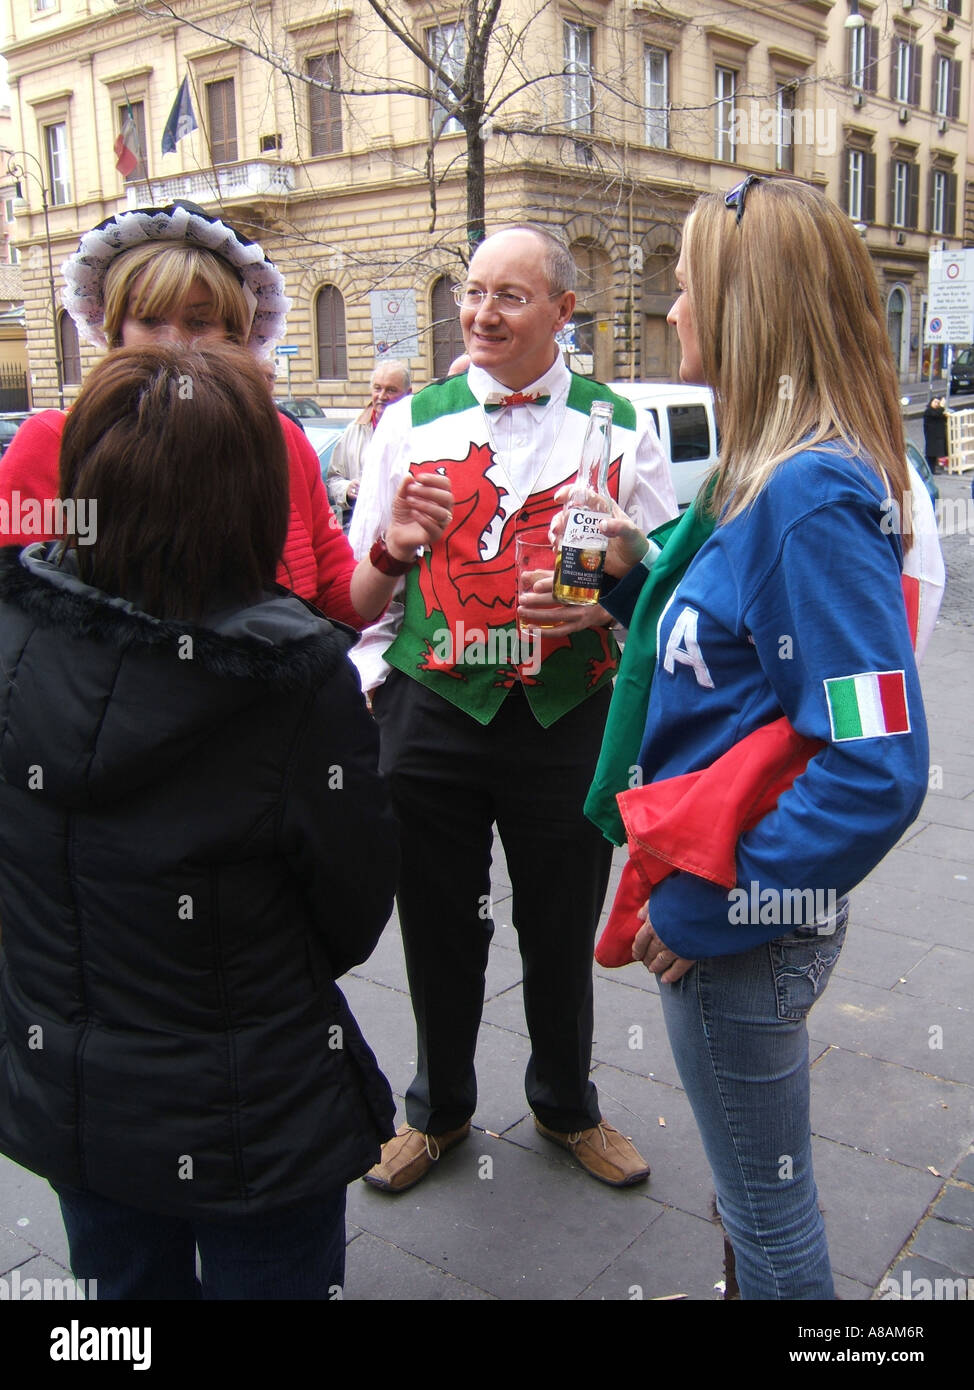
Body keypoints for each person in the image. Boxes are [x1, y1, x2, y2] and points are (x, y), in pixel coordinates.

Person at [589, 177, 934, 1299]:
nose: (672, 309)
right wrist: (637, 584)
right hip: (735, 897)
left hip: (741, 919)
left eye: (686, 288)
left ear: (747, 308)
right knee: (756, 1205)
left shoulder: (807, 497)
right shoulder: (769, 482)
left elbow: (873, 758)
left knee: (768, 1215)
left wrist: (707, 906)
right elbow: (747, 655)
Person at [0, 341, 400, 1299]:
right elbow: (350, 904)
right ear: (248, 497)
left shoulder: (15, 627)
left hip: (74, 1091)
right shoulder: (293, 676)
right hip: (254, 1104)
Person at [348, 224, 677, 1192]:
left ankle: (565, 1103)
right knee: (437, 921)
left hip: (565, 711)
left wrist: (616, 592)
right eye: (472, 292)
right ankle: (436, 1110)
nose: (481, 312)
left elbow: (665, 586)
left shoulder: (620, 426)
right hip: (436, 702)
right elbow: (360, 586)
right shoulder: (411, 421)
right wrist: (379, 679)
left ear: (562, 312)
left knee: (557, 917)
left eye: (510, 296)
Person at [0, 201, 450, 627]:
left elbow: (337, 605)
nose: (174, 342)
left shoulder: (280, 441)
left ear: (237, 336)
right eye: (151, 319)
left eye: (199, 322)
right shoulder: (54, 444)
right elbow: (23, 626)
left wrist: (392, 549)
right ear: (115, 330)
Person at [327, 359, 411, 531]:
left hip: (400, 532)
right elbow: (333, 479)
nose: (381, 396)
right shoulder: (354, 429)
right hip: (361, 529)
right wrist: (346, 490)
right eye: (377, 388)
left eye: (391, 390)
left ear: (408, 393)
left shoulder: (417, 431)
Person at [922, 396, 948, 474]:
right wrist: (942, 406)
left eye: (938, 402)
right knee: (930, 454)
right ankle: (929, 470)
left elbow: (941, 417)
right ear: (931, 402)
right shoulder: (928, 411)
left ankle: (932, 470)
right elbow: (936, 415)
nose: (936, 404)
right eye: (935, 402)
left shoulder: (937, 411)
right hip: (931, 435)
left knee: (934, 454)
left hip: (937, 435)